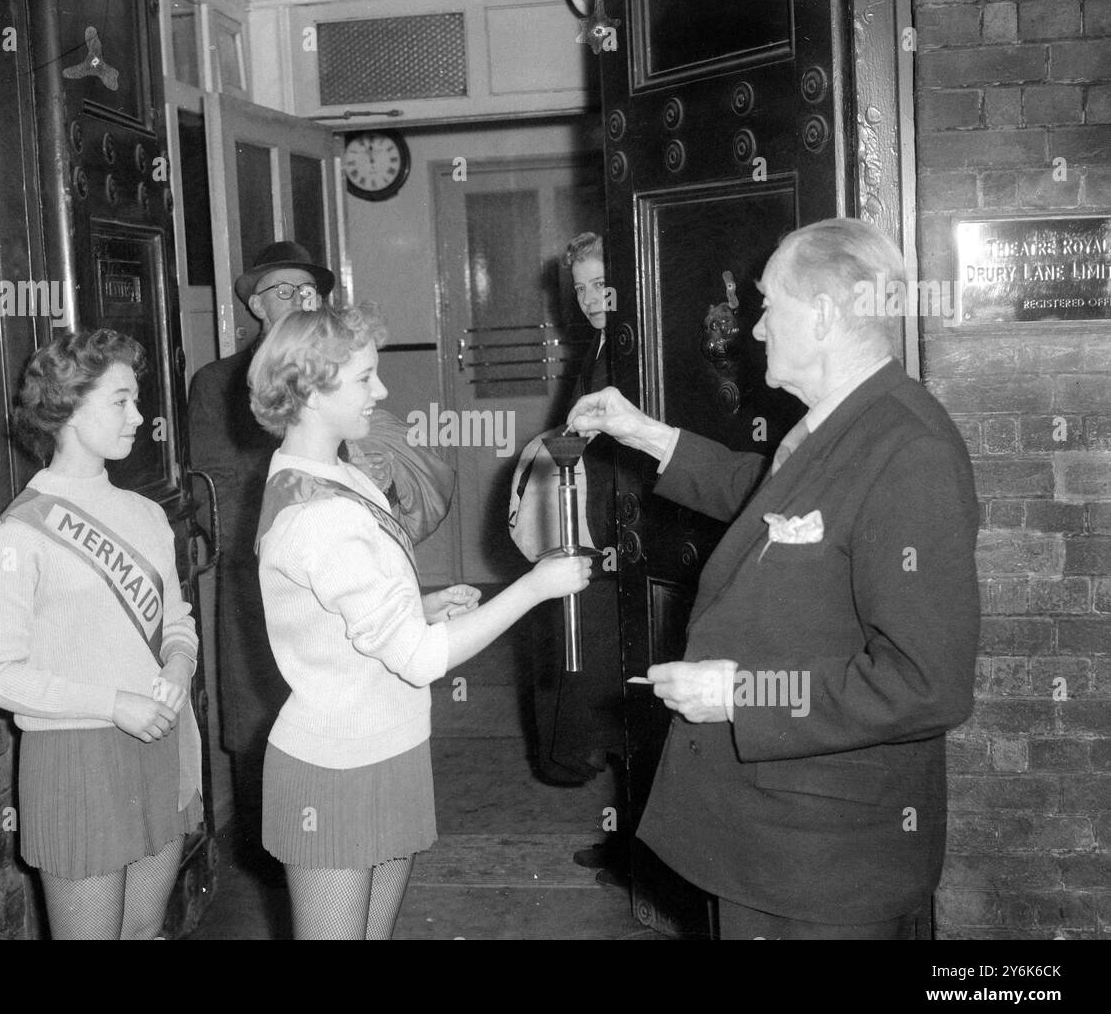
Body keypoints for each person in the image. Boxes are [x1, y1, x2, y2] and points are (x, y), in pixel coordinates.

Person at [567, 218, 979, 939]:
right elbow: (771, 497)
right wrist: (646, 434)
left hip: (826, 862)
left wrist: (741, 692)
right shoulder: (841, 420)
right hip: (775, 841)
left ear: (822, 315)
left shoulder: (909, 448)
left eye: (769, 307)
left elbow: (927, 682)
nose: (754, 331)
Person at [249, 302, 589, 939]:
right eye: (363, 379)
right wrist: (533, 588)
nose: (381, 392)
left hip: (388, 744)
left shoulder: (340, 475)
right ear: (311, 392)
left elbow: (344, 613)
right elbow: (420, 659)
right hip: (336, 766)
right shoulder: (316, 513)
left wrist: (416, 608)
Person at [187, 240, 453, 883]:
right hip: (258, 582)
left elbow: (395, 493)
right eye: (282, 290)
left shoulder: (341, 401)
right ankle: (275, 866)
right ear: (253, 305)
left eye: (308, 290)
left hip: (341, 590)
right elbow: (209, 493)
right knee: (264, 724)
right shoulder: (218, 383)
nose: (299, 299)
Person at [0, 329, 202, 939]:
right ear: (68, 408)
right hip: (76, 760)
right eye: (121, 400)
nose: (140, 415)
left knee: (146, 932)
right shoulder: (18, 535)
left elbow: (177, 622)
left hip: (158, 744)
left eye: (136, 398)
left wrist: (177, 668)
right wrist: (113, 703)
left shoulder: (148, 514)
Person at [528, 233, 628, 880]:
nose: (593, 298)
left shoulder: (632, 346)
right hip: (598, 541)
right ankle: (629, 839)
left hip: (623, 546)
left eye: (602, 283)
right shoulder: (600, 345)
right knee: (610, 688)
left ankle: (637, 845)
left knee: (623, 690)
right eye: (583, 287)